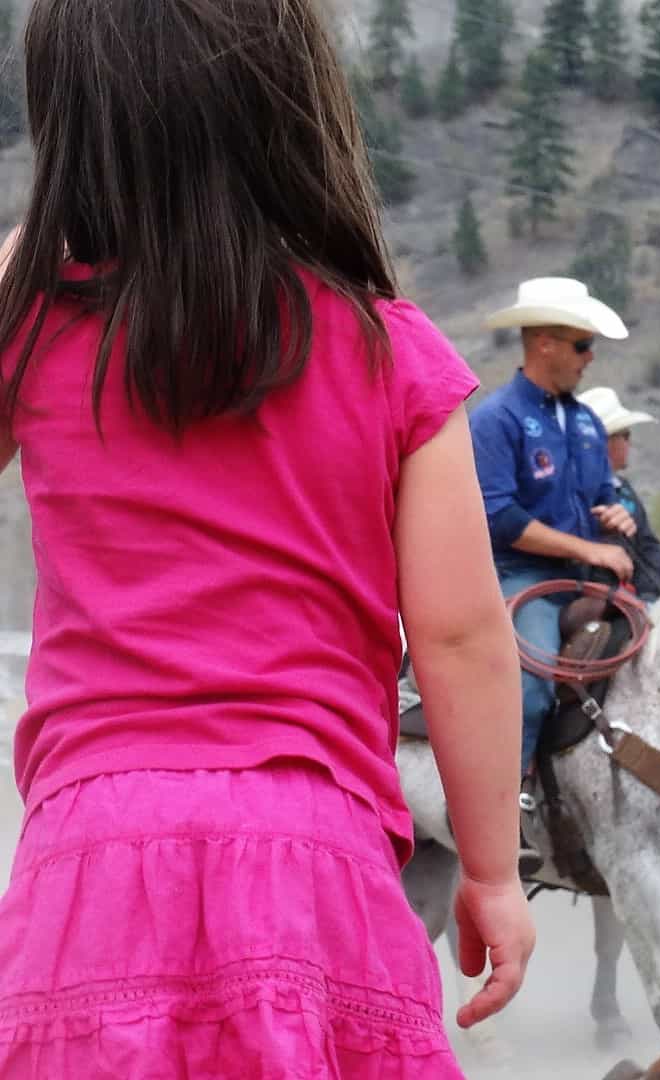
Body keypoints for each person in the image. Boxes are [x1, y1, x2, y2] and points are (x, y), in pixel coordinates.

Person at [0, 0, 533, 1072]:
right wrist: (492, 872)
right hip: (315, 855)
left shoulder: (35, 325)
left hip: (91, 859)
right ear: (292, 107)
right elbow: (463, 636)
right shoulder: (392, 349)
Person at [470, 277, 639, 806]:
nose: (590, 358)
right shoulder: (496, 420)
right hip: (522, 579)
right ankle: (507, 798)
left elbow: (606, 496)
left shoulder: (587, 422)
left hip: (587, 580)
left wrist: (620, 516)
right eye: (582, 345)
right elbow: (500, 517)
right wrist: (587, 549)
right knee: (533, 684)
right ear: (544, 343)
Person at [579, 385, 660, 602]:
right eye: (625, 435)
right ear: (603, 442)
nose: (630, 442)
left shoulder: (625, 490)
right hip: (585, 595)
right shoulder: (571, 492)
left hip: (632, 597)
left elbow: (648, 546)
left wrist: (648, 596)